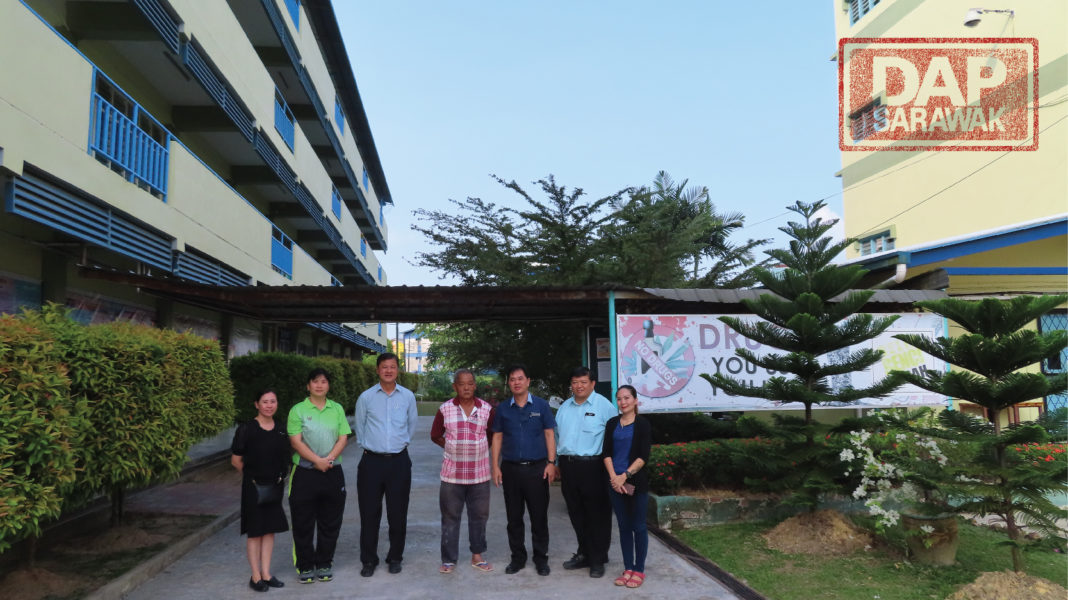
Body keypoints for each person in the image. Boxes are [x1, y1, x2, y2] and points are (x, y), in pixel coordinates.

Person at [490, 364, 557, 576]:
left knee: (539, 518)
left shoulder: (541, 406)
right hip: (510, 470)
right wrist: (495, 466)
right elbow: (497, 437)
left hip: (537, 469)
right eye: (512, 379)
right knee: (514, 518)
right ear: (509, 383)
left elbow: (549, 435)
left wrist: (551, 462)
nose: (516, 382)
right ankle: (517, 558)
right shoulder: (502, 409)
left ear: (528, 381)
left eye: (520, 378)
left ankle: (541, 559)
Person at [355, 352, 418, 576]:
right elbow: (360, 429)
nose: (388, 370)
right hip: (371, 462)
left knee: (397, 513)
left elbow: (411, 426)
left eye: (392, 367)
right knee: (369, 514)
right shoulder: (366, 397)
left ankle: (395, 557)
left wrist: (397, 445)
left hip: (399, 462)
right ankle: (369, 560)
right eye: (384, 367)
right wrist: (374, 446)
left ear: (397, 370)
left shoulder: (408, 396)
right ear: (377, 370)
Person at [287, 368, 350, 584]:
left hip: (333, 472)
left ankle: (324, 563)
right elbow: (296, 441)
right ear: (308, 386)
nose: (319, 385)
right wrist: (317, 461)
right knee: (303, 521)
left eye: (324, 381)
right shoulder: (298, 410)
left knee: (330, 521)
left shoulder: (337, 409)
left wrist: (328, 460)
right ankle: (304, 566)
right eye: (315, 381)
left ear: (328, 386)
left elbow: (343, 438)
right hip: (304, 473)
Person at [430, 369, 496, 574]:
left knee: (479, 516)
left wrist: (480, 448)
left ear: (475, 385)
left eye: (470, 383)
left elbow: (493, 435)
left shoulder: (487, 409)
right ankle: (449, 559)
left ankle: (477, 556)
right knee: (450, 517)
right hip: (452, 475)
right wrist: (450, 446)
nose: (466, 387)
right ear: (455, 386)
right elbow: (435, 435)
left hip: (480, 474)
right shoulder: (445, 409)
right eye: (461, 384)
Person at [554, 366, 615, 578]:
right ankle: (584, 553)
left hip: (594, 467)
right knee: (576, 513)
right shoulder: (564, 407)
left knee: (597, 515)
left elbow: (614, 438)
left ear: (593, 384)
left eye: (583, 382)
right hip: (569, 467)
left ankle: (598, 559)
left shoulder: (605, 406)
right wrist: (555, 462)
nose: (578, 386)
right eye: (575, 382)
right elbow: (556, 436)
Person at [232, 389, 290, 592]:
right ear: (256, 404)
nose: (269, 405)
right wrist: (252, 478)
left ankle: (266, 573)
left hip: (274, 486)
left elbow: (284, 456)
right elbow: (236, 460)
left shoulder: (281, 428)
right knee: (255, 532)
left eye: (273, 401)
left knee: (269, 530)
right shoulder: (247, 429)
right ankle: (255, 575)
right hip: (254, 487)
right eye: (265, 402)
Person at [602, 384, 652, 589]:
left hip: (635, 483)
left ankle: (639, 569)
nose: (623, 402)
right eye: (619, 399)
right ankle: (628, 568)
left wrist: (625, 476)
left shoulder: (643, 424)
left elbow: (643, 456)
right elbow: (606, 453)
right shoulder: (612, 423)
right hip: (615, 484)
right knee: (623, 527)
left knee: (638, 526)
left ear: (635, 400)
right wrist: (614, 478)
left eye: (627, 398)